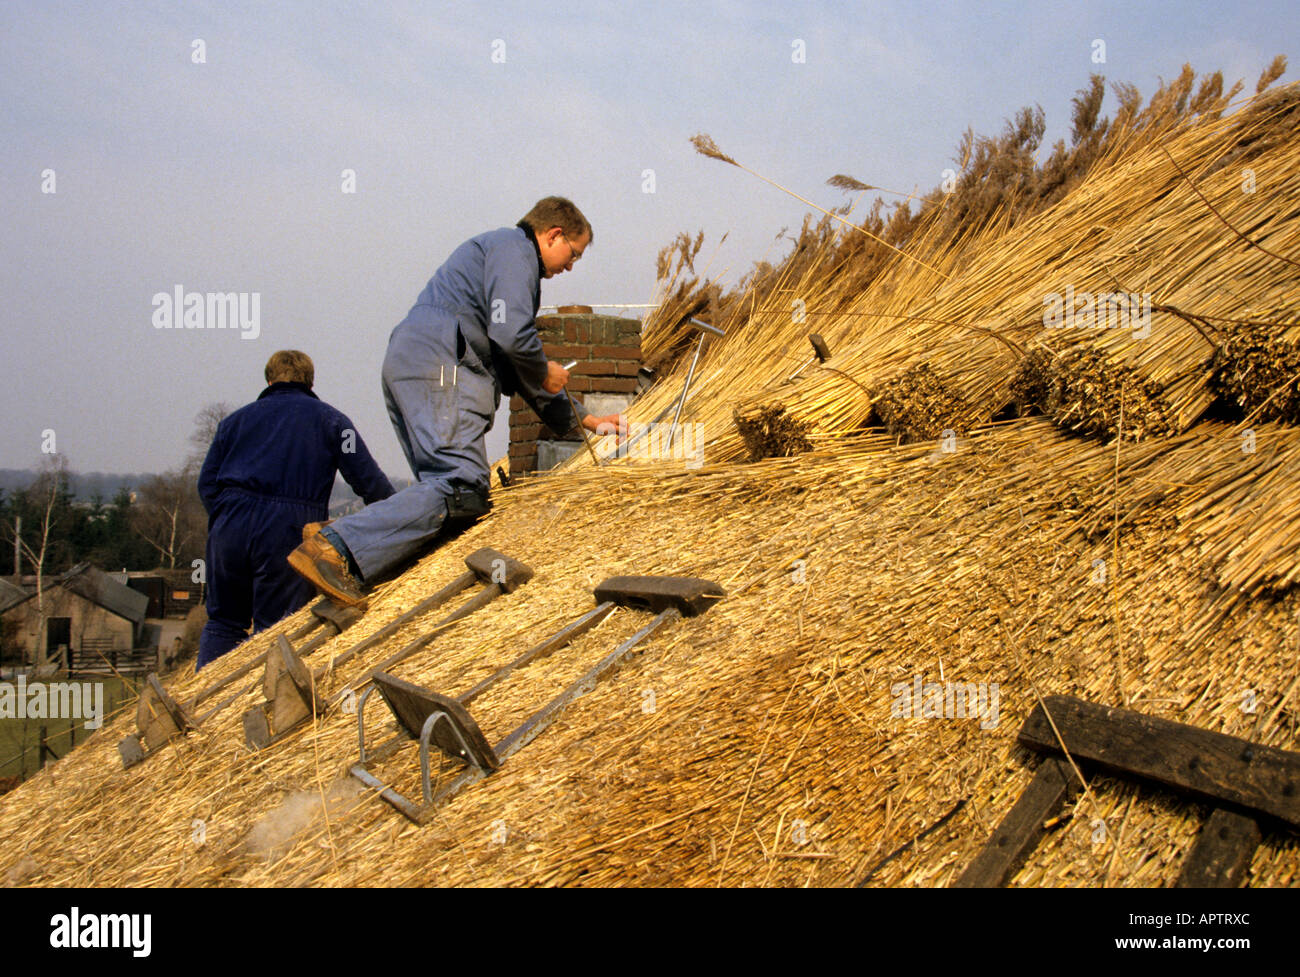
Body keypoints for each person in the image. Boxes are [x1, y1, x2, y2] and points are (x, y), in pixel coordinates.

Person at [289, 197, 621, 605]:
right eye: (573, 254)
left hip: (416, 361)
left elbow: (514, 362)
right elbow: (513, 337)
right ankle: (336, 546)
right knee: (461, 485)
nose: (570, 267)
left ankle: (357, 551)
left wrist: (582, 420)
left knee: (454, 500)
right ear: (554, 234)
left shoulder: (495, 257)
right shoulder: (515, 251)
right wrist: (546, 366)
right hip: (441, 366)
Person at [196, 350, 394, 668]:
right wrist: (399, 521)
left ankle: (199, 707)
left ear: (269, 380)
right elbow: (370, 484)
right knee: (275, 631)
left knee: (223, 622)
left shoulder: (232, 423)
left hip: (228, 526)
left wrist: (226, 521)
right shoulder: (332, 422)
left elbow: (206, 485)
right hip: (285, 529)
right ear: (310, 382)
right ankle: (260, 708)